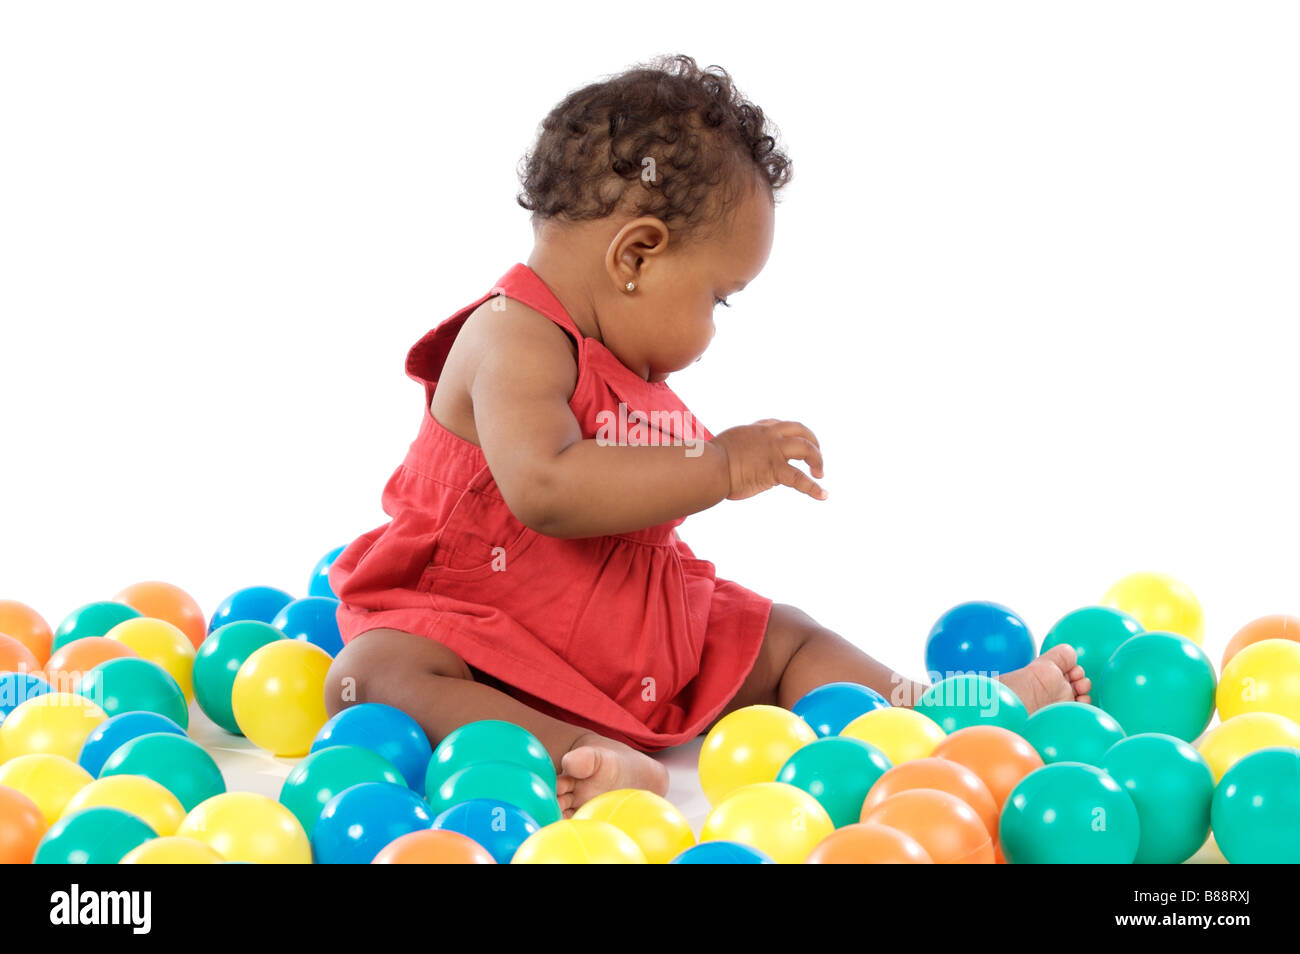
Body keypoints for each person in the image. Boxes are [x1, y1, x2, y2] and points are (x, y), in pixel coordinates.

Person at [325, 54, 1090, 817]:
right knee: (375, 672)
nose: (711, 331)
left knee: (788, 637)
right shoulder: (511, 336)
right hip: (486, 629)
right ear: (636, 254)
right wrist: (719, 464)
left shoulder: (616, 355)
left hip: (628, 632)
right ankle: (577, 755)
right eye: (718, 299)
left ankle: (925, 714)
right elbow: (546, 488)